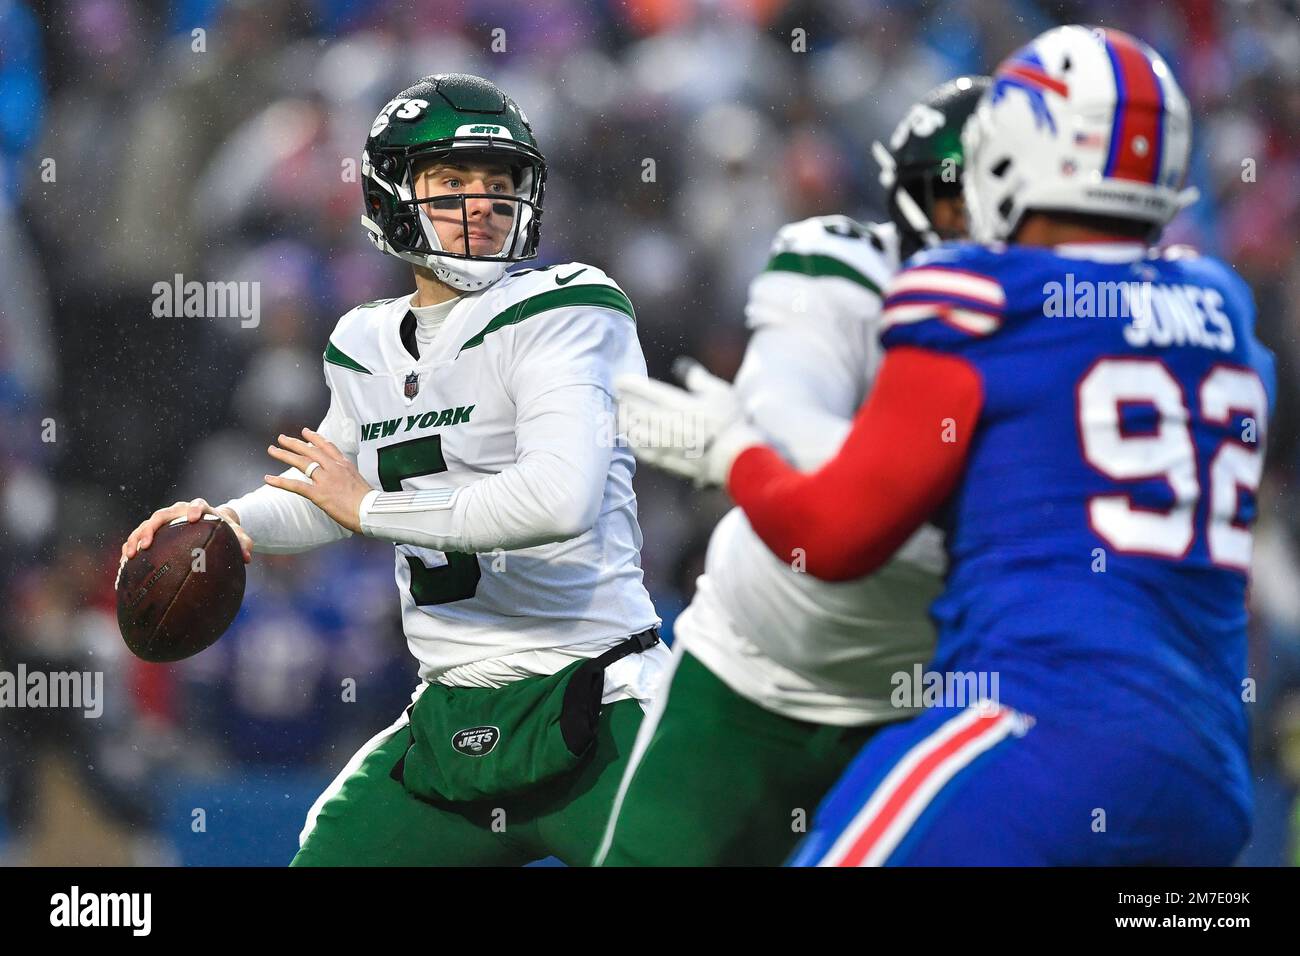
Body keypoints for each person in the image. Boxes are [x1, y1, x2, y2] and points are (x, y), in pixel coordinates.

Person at [617, 26, 1275, 865]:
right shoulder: (1221, 311)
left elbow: (832, 535)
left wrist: (731, 453)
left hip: (1043, 733)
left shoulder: (981, 297)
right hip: (1211, 771)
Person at [122, 73, 668, 866]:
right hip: (450, 719)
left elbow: (560, 497)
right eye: (452, 182)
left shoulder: (569, 307)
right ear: (387, 198)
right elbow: (327, 489)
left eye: (499, 182)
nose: (481, 203)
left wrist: (370, 510)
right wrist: (230, 523)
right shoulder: (364, 341)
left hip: (602, 700)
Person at [596, 78, 989, 866]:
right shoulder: (841, 266)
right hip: (749, 667)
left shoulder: (1065, 327)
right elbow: (793, 425)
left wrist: (741, 454)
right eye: (961, 205)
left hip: (926, 705)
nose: (983, 231)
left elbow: (833, 495)